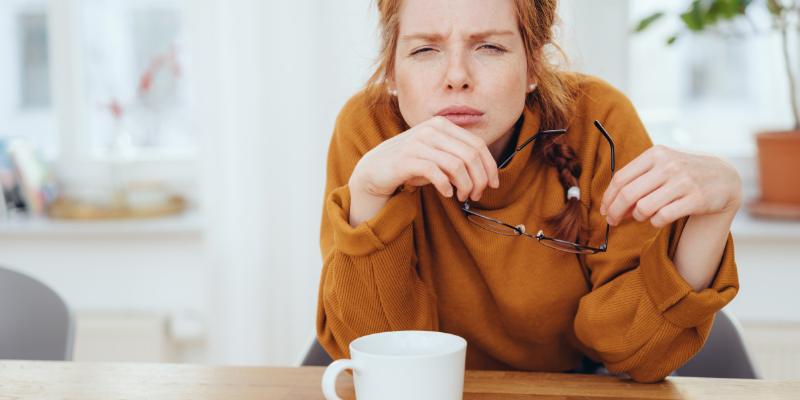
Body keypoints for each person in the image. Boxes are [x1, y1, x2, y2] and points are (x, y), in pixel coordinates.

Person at [316, 0, 741, 383]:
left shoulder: (600, 121)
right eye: (425, 49)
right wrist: (369, 192)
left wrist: (716, 214)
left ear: (533, 64)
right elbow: (376, 357)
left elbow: (637, 352)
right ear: (391, 70)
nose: (457, 77)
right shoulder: (368, 131)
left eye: (490, 48)